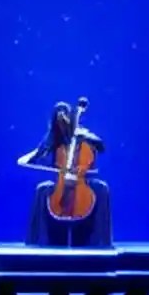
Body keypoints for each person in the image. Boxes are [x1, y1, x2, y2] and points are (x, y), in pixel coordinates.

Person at [17, 99, 113, 247]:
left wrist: (86, 136)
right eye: (58, 119)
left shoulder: (82, 134)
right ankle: (36, 241)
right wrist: (26, 159)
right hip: (61, 183)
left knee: (102, 188)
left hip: (83, 180)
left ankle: (102, 242)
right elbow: (37, 154)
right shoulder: (53, 140)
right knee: (42, 189)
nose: (62, 122)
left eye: (64, 117)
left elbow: (101, 146)